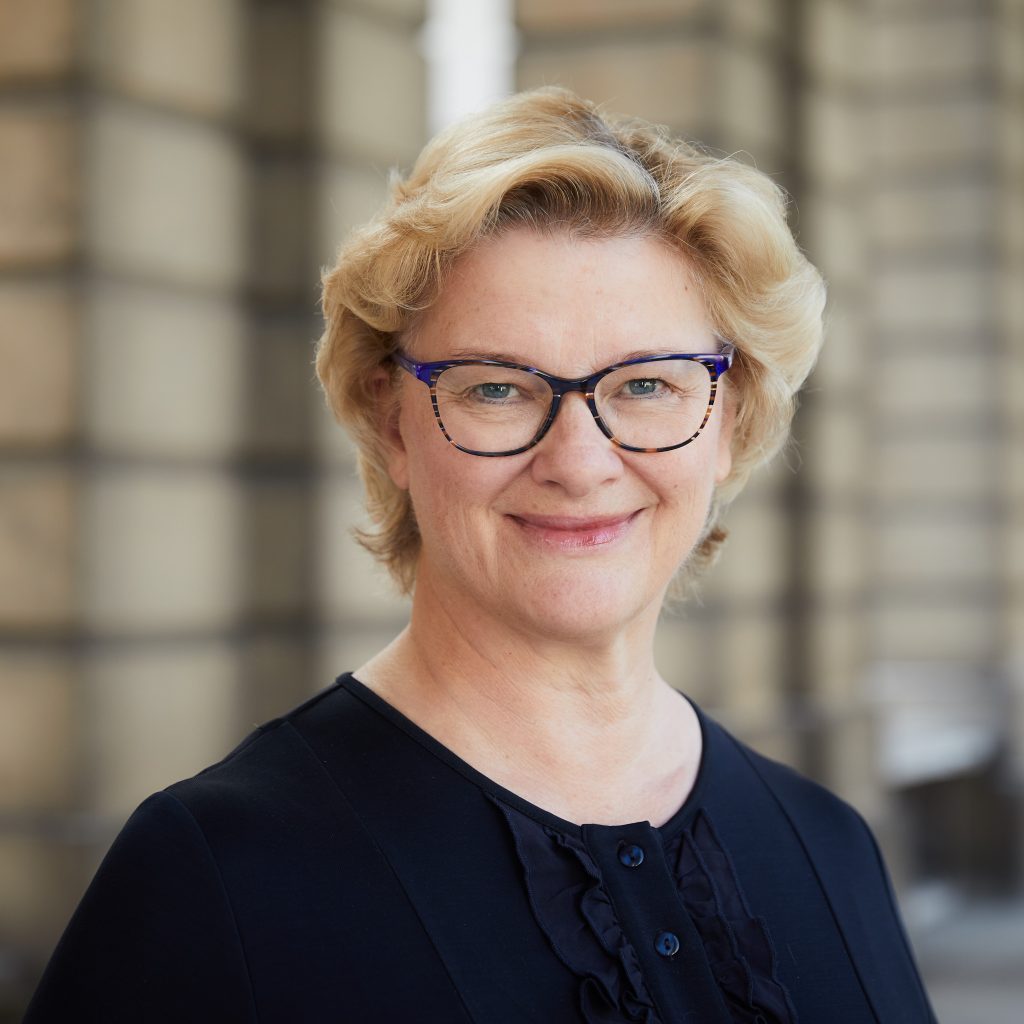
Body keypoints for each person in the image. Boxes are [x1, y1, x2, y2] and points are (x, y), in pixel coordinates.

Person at [26, 88, 935, 1023]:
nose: (579, 463)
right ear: (392, 424)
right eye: (497, 388)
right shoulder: (212, 874)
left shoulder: (830, 846)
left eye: (648, 384)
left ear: (729, 423)